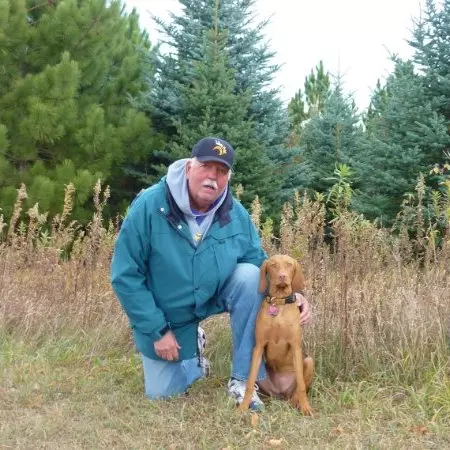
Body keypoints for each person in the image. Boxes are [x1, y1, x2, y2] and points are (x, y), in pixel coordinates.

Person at [110, 136, 311, 410]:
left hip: (213, 293)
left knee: (250, 277)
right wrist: (157, 331)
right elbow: (125, 276)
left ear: (228, 177)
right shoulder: (149, 205)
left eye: (222, 171)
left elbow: (261, 264)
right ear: (189, 167)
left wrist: (294, 296)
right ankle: (194, 346)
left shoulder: (235, 213)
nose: (213, 178)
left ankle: (242, 381)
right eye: (206, 167)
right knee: (163, 394)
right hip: (168, 312)